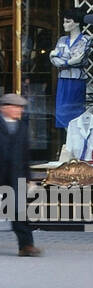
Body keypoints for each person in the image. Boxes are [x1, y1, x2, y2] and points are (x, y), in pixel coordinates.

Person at [0, 94, 39, 256]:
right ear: (4, 108)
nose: (20, 110)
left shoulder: (22, 126)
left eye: (21, 107)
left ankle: (26, 246)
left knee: (19, 210)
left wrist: (28, 178)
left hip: (16, 176)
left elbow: (25, 154)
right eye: (16, 107)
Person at [49, 8, 88, 131]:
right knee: (61, 110)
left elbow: (79, 59)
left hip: (76, 80)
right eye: (64, 21)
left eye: (68, 21)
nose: (64, 24)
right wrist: (68, 60)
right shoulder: (62, 40)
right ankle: (69, 140)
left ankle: (75, 140)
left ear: (76, 23)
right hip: (63, 79)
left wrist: (58, 56)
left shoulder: (85, 39)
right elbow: (55, 61)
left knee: (75, 111)